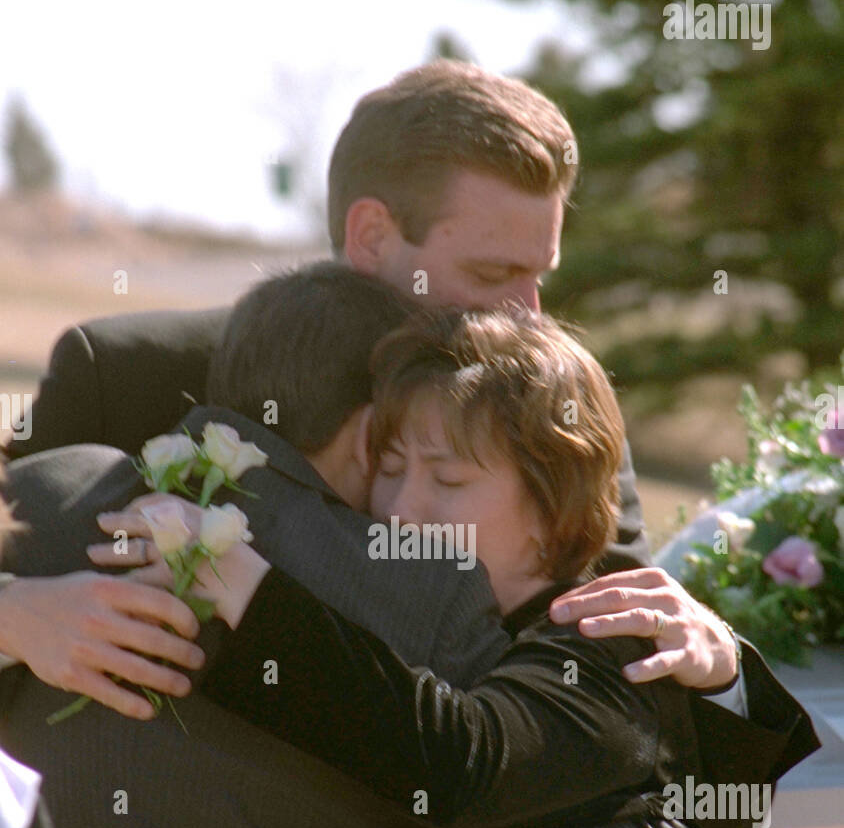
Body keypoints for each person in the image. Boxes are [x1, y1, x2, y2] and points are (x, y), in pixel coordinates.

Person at [74, 270, 817, 828]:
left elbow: (459, 759)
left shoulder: (601, 645)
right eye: (391, 468)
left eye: (451, 479)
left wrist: (248, 593)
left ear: (553, 515)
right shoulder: (399, 610)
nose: (406, 508)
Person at [2, 60, 743, 709]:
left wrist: (720, 668)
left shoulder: (553, 410)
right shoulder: (130, 373)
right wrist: (17, 616)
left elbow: (633, 689)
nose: (529, 312)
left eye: (538, 275)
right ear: (373, 237)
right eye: (491, 275)